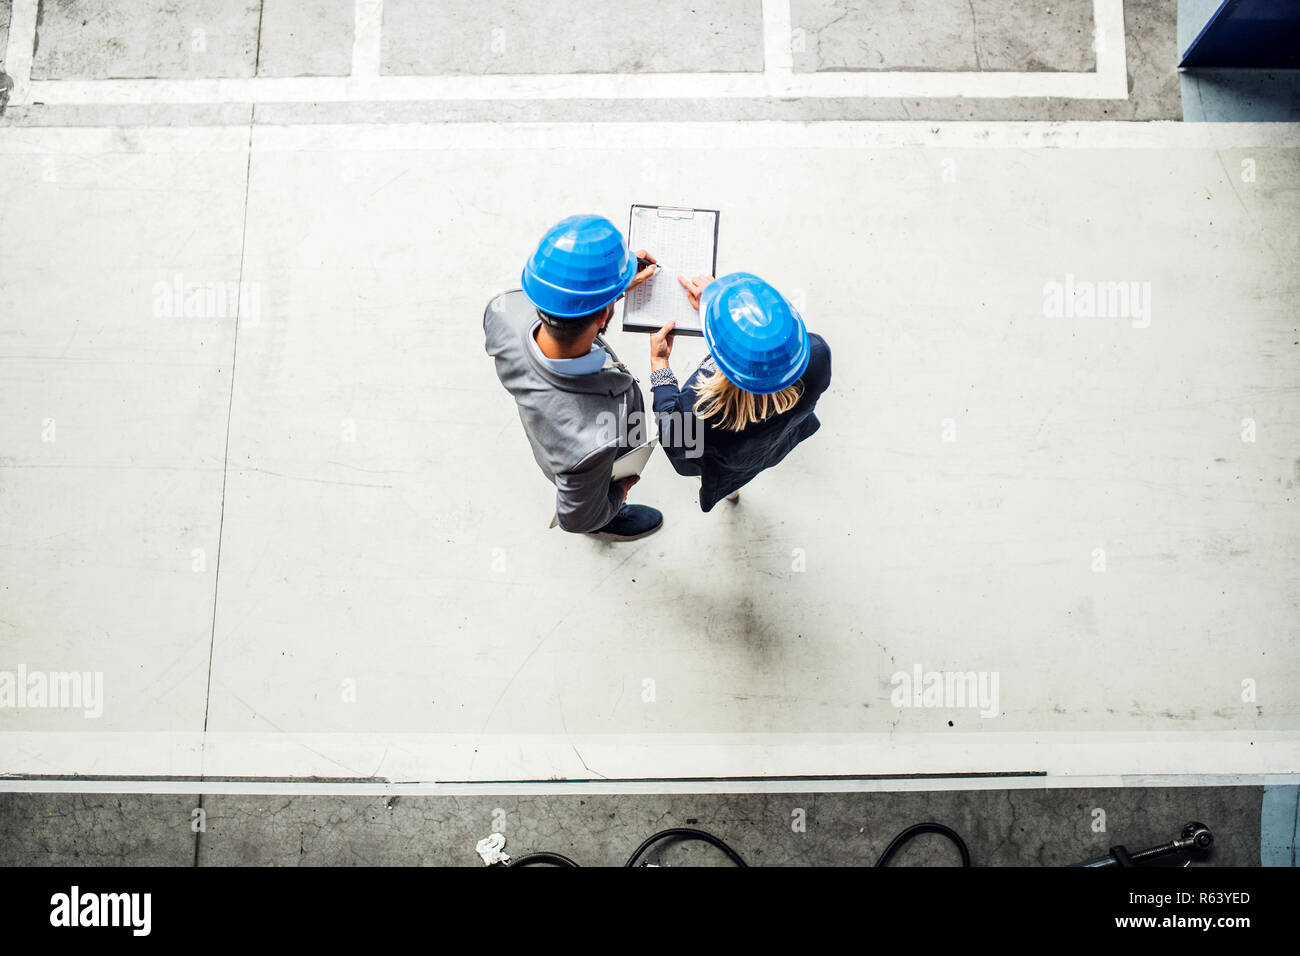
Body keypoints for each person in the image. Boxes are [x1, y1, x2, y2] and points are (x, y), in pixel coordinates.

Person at [484, 214, 664, 540]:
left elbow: (561, 300)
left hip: (549, 435)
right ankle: (609, 523)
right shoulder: (590, 447)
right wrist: (615, 497)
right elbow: (576, 519)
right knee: (596, 506)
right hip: (589, 465)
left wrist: (610, 288)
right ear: (602, 315)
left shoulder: (503, 311)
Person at [649, 272, 832, 511]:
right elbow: (765, 347)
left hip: (723, 465)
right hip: (771, 447)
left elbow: (674, 438)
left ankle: (730, 491)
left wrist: (659, 362)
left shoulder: (703, 407)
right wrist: (719, 307)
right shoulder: (817, 354)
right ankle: (733, 490)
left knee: (716, 474)